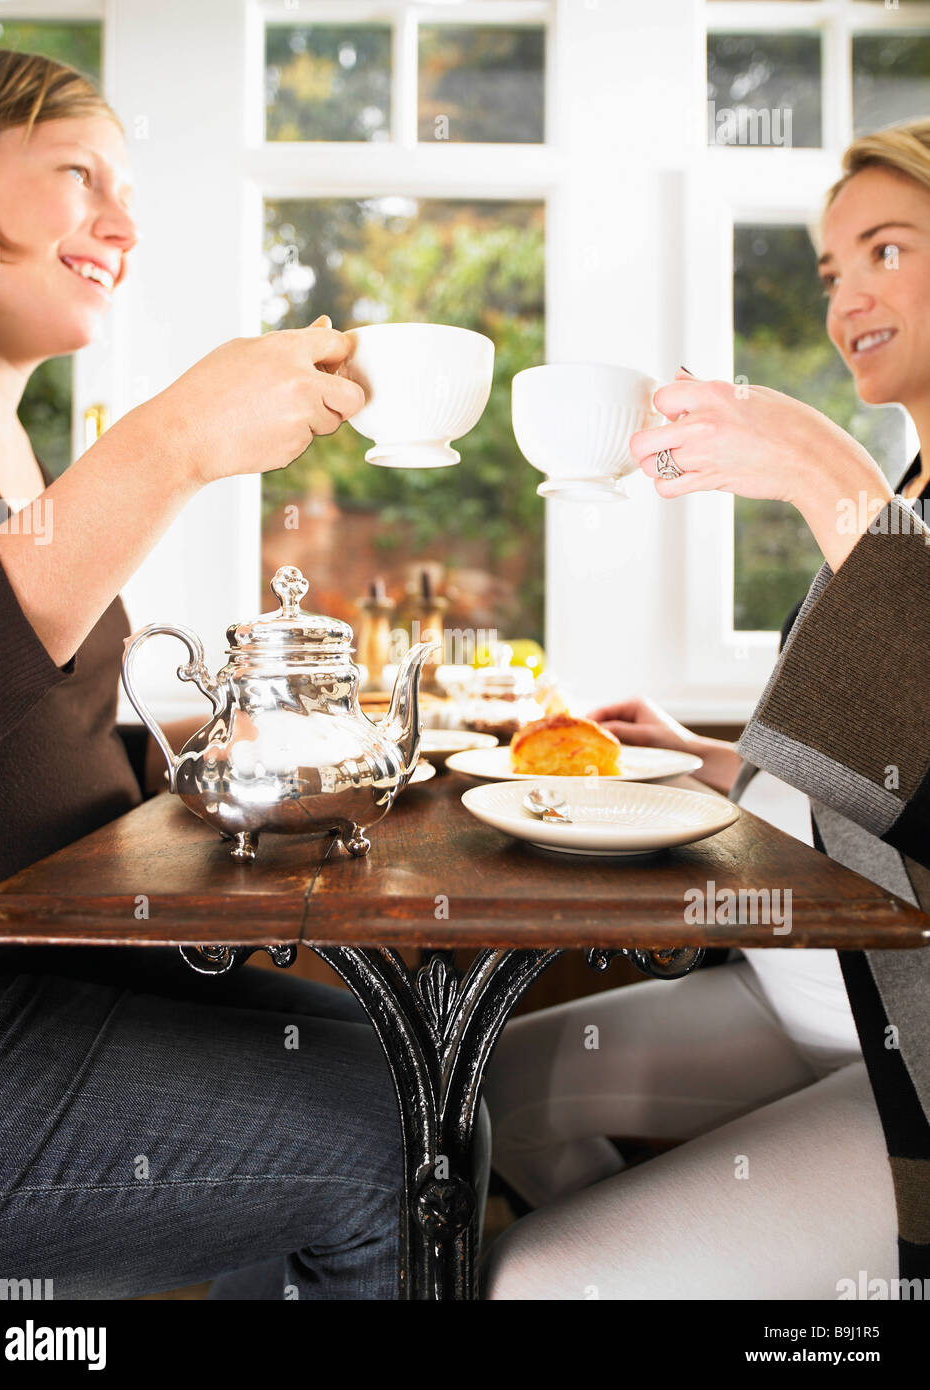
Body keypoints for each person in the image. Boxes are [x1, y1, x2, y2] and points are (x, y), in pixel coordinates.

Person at [0, 42, 404, 1300]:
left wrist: (233, 755)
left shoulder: (10, 446)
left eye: (129, 189)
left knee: (415, 1064)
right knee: (388, 1139)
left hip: (45, 969)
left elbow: (27, 733)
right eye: (77, 174)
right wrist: (175, 440)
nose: (123, 224)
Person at [484, 118, 930, 1299]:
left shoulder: (871, 503)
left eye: (887, 249)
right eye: (831, 271)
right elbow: (881, 770)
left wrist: (828, 476)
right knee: (479, 1099)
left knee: (532, 1280)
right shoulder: (904, 492)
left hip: (910, 1048)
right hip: (807, 989)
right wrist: (706, 759)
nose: (845, 299)